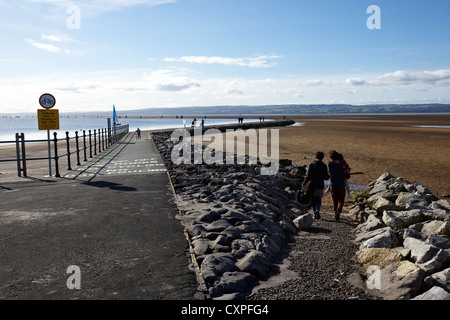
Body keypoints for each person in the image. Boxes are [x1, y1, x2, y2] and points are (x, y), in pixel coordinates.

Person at [303, 151, 330, 219]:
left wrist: (304, 183)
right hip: (320, 185)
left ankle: (315, 213)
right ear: (322, 157)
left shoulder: (312, 164)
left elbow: (308, 176)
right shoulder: (324, 165)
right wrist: (329, 176)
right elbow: (325, 177)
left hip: (312, 185)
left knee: (313, 200)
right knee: (319, 199)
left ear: (316, 157)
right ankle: (318, 209)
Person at [328, 150, 349, 221]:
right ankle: (338, 211)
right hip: (341, 185)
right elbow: (347, 176)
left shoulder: (330, 165)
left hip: (332, 185)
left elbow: (328, 175)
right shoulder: (342, 166)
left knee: (335, 200)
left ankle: (335, 212)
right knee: (341, 200)